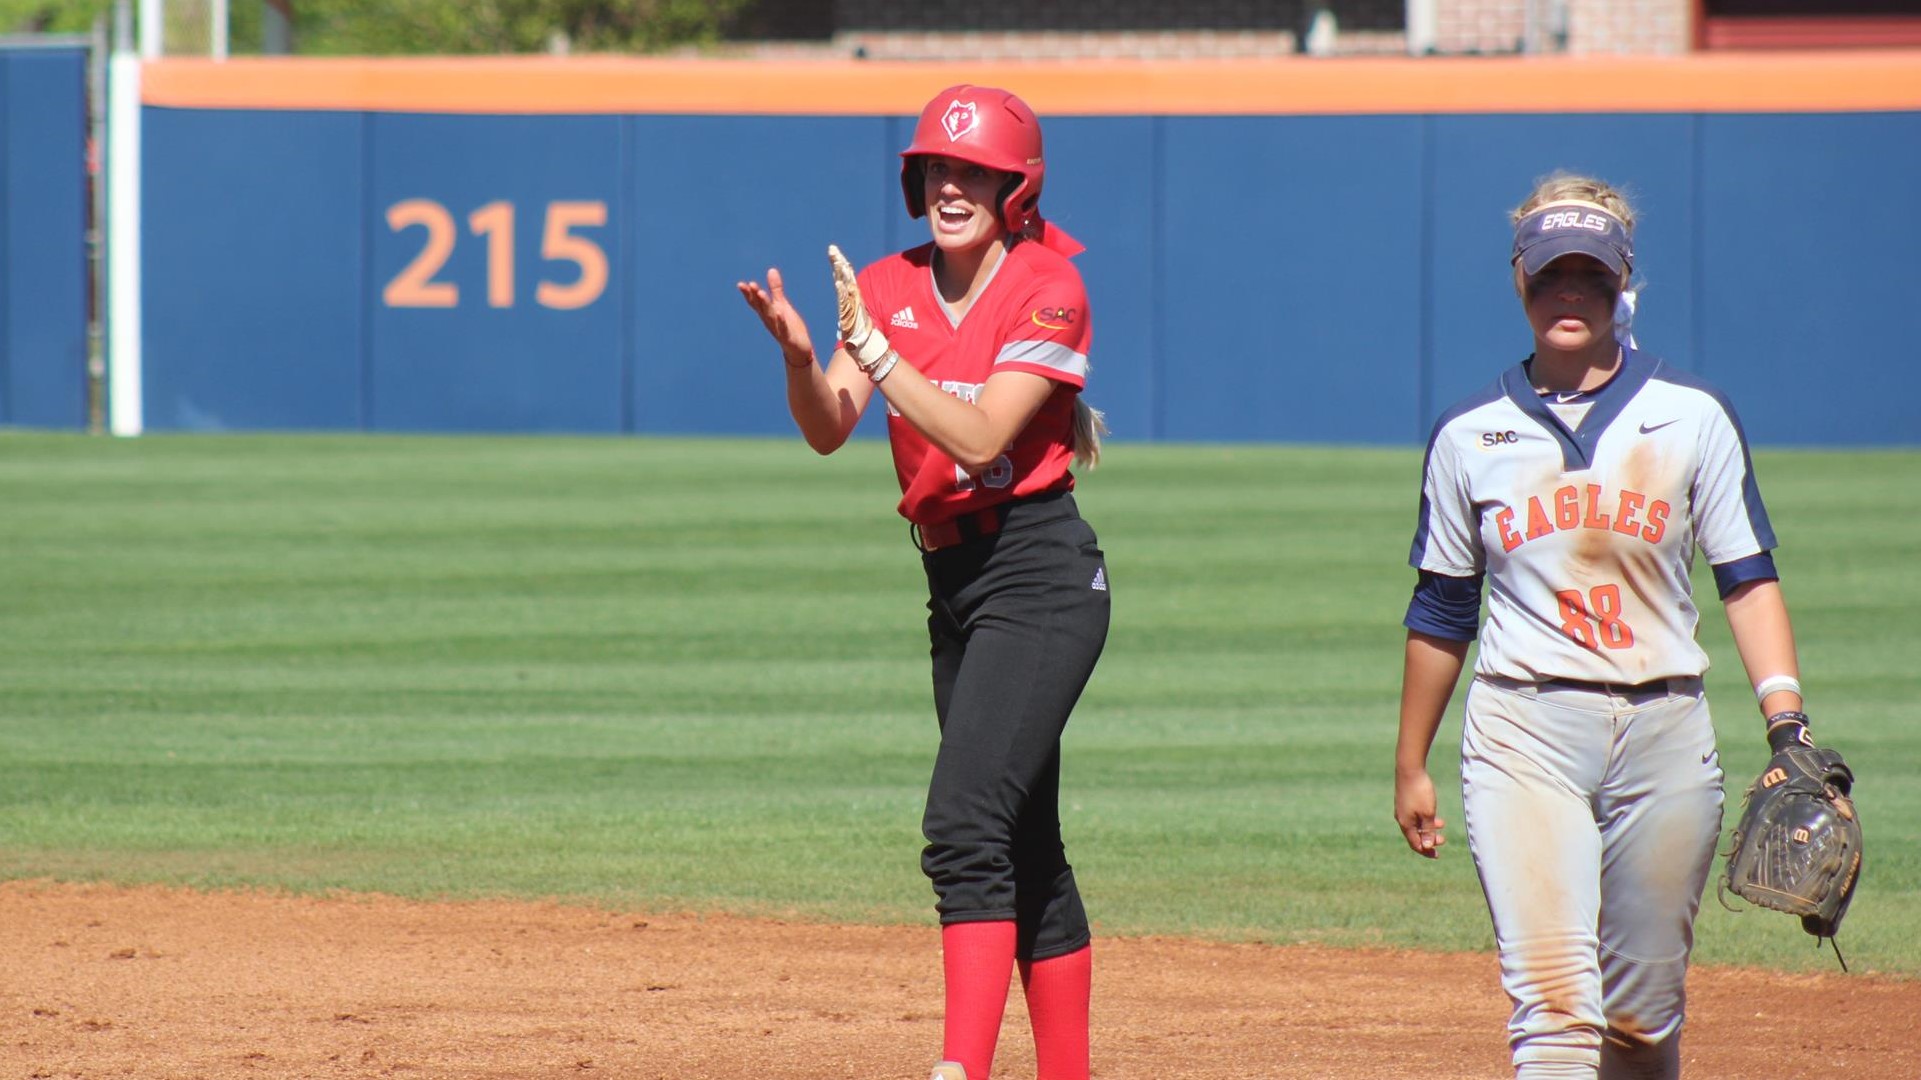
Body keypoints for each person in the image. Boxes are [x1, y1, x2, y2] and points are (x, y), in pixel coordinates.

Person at [1392, 173, 1820, 1079]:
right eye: (1551, 276)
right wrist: (1411, 761)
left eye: (1588, 276)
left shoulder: (1692, 416)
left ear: (1621, 284)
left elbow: (1745, 578)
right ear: (1521, 282)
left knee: (1640, 1023)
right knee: (1552, 1012)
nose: (1568, 294)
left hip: (1666, 733)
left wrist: (1786, 720)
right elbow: (1440, 607)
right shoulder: (1468, 435)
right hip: (1522, 731)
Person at [737, 85, 1110, 1080]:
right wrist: (806, 361)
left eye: (973, 170)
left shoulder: (1048, 286)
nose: (950, 185)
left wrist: (875, 350)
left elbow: (984, 433)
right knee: (1025, 847)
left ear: (1015, 184)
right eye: (936, 169)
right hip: (954, 582)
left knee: (961, 828)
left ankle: (959, 1070)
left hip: (1037, 573)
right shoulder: (886, 285)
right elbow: (829, 429)